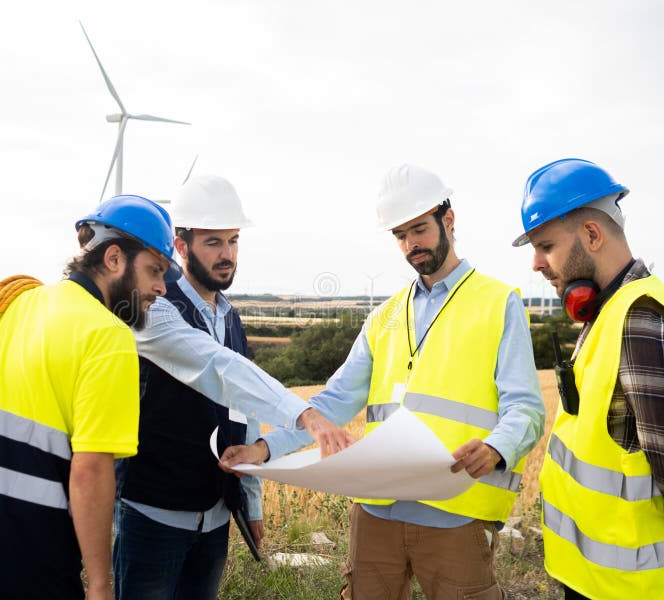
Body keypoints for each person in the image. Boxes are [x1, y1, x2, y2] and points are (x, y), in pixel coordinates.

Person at [222, 164, 545, 599]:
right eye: (400, 235)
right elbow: (333, 401)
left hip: (456, 515)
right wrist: (263, 449)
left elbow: (525, 407)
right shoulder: (384, 315)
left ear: (448, 220)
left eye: (419, 229)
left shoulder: (497, 302)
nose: (411, 244)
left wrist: (495, 448)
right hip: (376, 514)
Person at [112, 175, 354, 600]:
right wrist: (307, 415)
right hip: (152, 515)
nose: (227, 255)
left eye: (234, 241)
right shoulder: (152, 307)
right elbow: (218, 367)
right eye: (213, 243)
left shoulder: (230, 318)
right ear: (181, 246)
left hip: (215, 518)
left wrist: (249, 502)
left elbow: (243, 414)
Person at [0, 195, 180, 600]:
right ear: (115, 259)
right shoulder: (108, 337)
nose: (161, 288)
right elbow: (91, 471)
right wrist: (101, 586)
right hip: (30, 566)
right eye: (155, 270)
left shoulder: (18, 304)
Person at [512, 158, 664, 599]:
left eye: (545, 246)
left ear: (592, 235)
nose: (537, 263)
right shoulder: (605, 311)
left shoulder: (638, 318)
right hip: (593, 580)